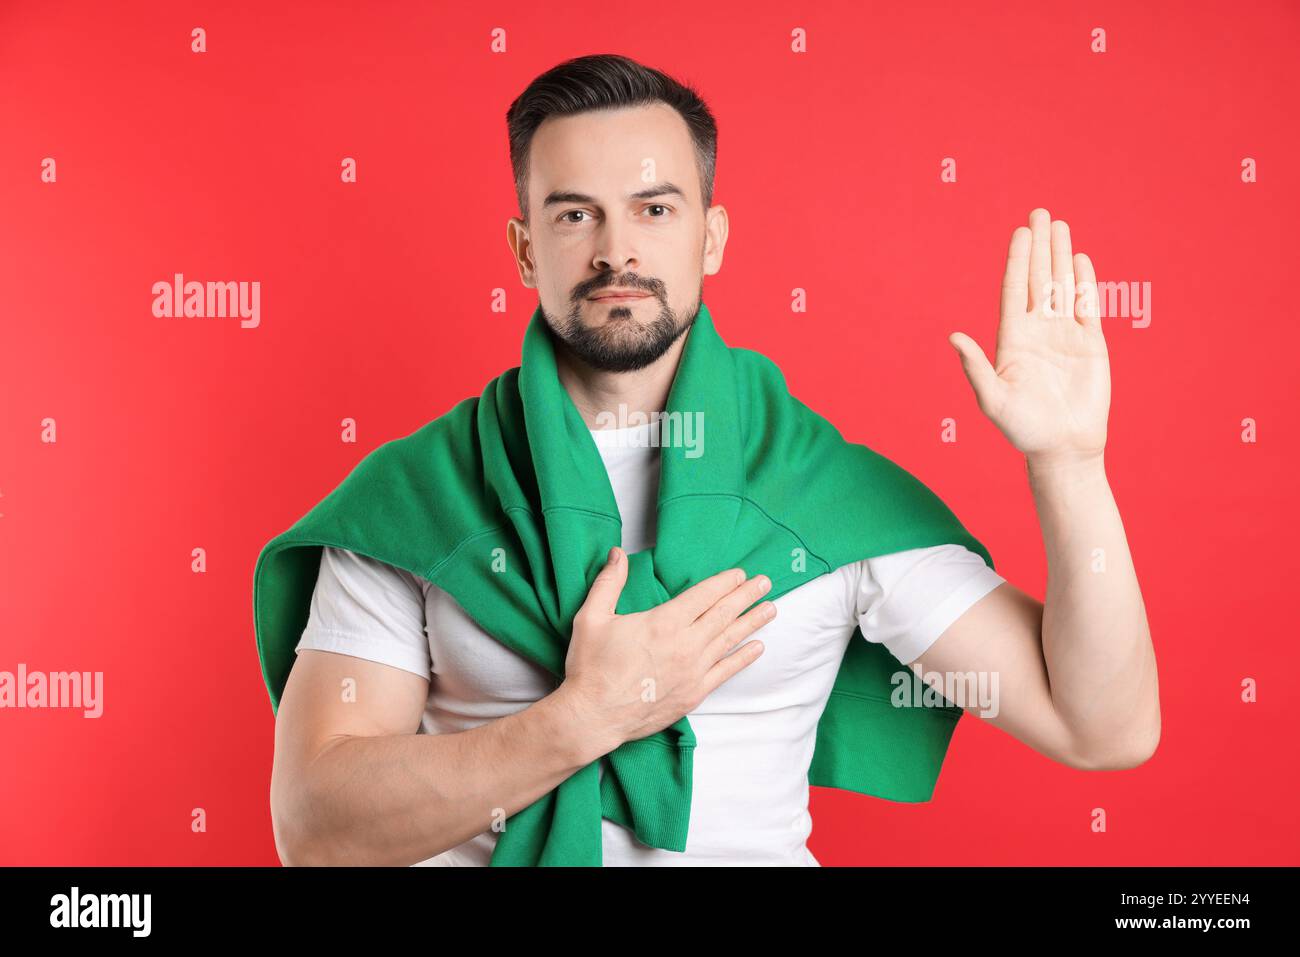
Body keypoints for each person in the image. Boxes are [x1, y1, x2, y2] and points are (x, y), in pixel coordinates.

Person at [267, 53, 1159, 867]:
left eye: (656, 209)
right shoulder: (420, 499)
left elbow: (1102, 726)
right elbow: (315, 826)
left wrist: (1070, 464)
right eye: (576, 214)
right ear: (525, 248)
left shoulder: (819, 496)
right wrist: (583, 717)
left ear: (712, 236)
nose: (617, 249)